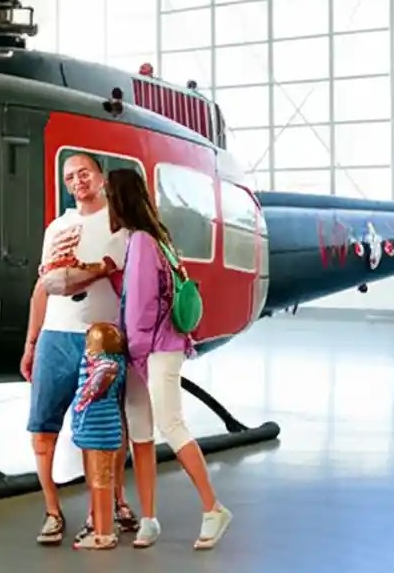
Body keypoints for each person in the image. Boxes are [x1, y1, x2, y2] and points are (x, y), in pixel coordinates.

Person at [106, 167, 233, 550]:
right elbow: (145, 292)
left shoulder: (142, 242)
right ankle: (149, 520)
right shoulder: (156, 239)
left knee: (170, 426)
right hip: (155, 348)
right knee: (141, 433)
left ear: (119, 201)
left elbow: (141, 307)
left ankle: (213, 508)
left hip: (151, 350)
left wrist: (132, 351)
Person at [21, 152, 138, 545]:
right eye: (70, 176)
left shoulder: (122, 227)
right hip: (56, 336)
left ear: (101, 177)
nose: (77, 181)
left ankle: (108, 506)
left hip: (103, 339)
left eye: (84, 173)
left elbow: (111, 281)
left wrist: (77, 273)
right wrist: (31, 342)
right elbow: (44, 286)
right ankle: (52, 511)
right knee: (42, 428)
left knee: (104, 430)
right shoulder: (58, 227)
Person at [69, 321, 128, 551]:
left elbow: (90, 391)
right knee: (99, 480)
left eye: (90, 343)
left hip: (99, 430)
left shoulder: (105, 367)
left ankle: (103, 533)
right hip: (99, 430)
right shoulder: (111, 364)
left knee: (101, 481)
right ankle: (100, 527)